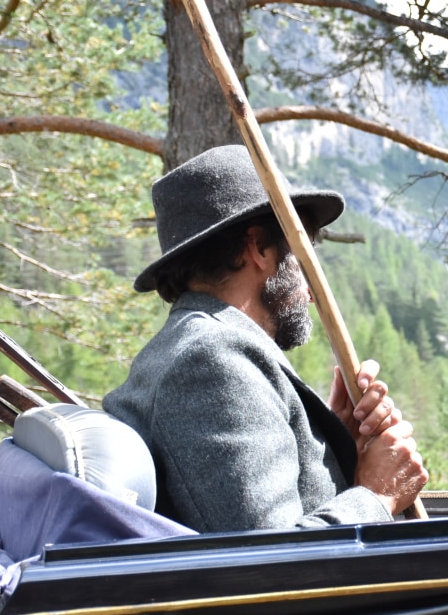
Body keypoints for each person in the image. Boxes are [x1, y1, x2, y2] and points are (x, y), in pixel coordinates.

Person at [104, 145, 428, 532]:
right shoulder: (213, 363)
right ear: (258, 248)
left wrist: (337, 445)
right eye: (303, 256)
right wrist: (378, 495)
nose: (311, 291)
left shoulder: (195, 349)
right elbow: (270, 558)